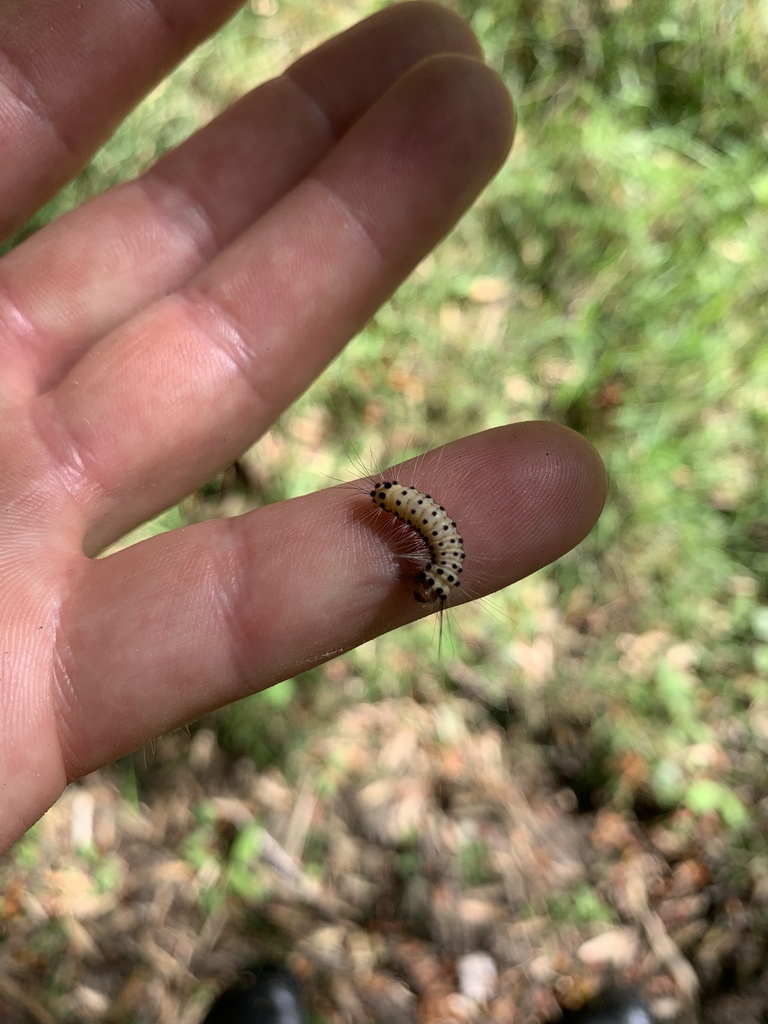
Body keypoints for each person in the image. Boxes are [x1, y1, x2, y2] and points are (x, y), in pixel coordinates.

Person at [0, 0, 605, 858]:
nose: (423, 571)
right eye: (431, 577)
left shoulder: (418, 537)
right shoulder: (410, 528)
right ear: (429, 557)